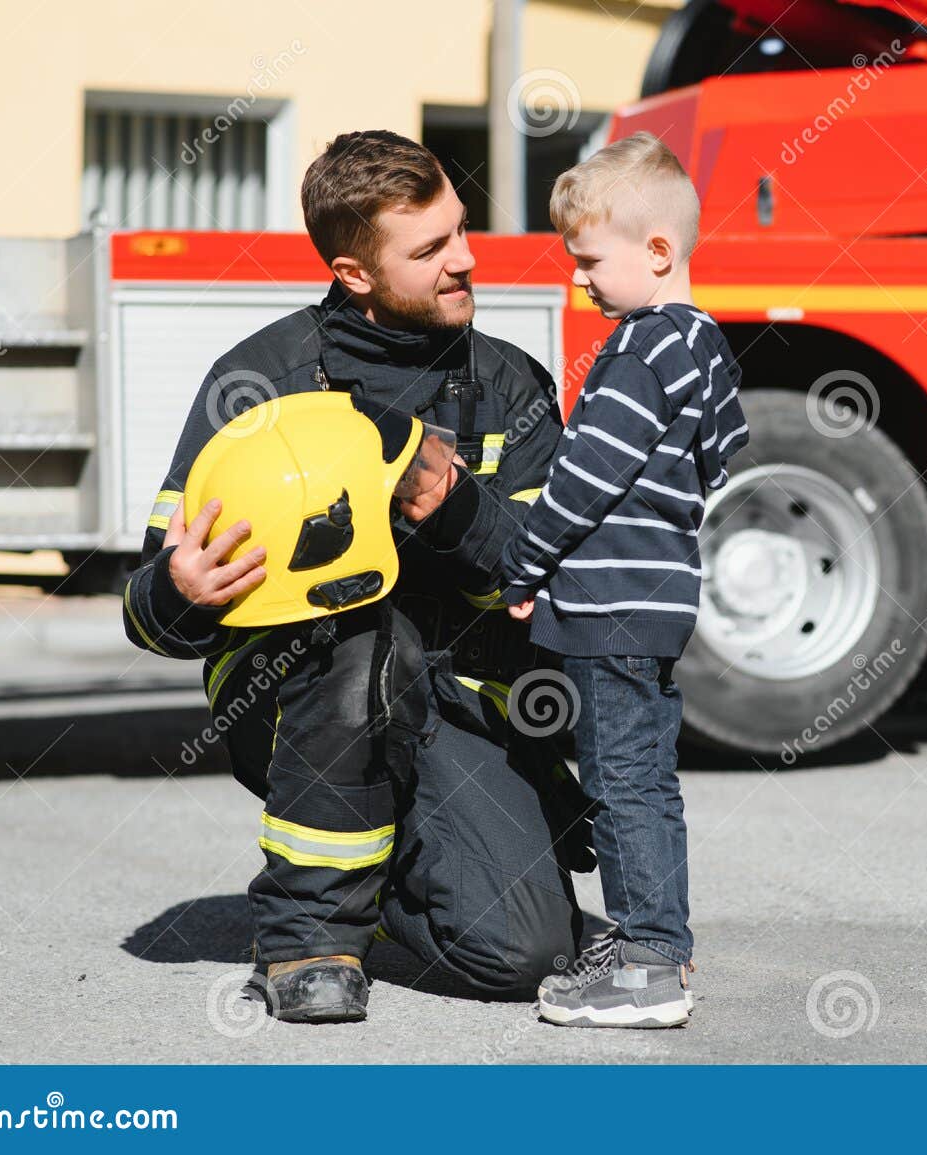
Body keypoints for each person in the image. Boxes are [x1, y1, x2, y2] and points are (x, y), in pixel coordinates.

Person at [123, 129, 591, 1023]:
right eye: (430, 249)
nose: (465, 260)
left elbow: (553, 583)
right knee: (358, 626)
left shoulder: (510, 385)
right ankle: (307, 940)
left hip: (454, 700)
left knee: (526, 950)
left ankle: (377, 880)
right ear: (355, 273)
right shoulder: (259, 383)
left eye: (460, 230)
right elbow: (150, 614)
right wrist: (179, 590)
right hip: (293, 692)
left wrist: (452, 509)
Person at [498, 132, 749, 1028]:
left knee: (619, 782)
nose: (579, 279)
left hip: (608, 606)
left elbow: (583, 479)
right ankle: (663, 950)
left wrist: (526, 565)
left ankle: (642, 969)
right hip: (659, 602)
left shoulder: (639, 351)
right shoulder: (704, 344)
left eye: (589, 260)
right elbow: (724, 456)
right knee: (651, 779)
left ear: (656, 251)